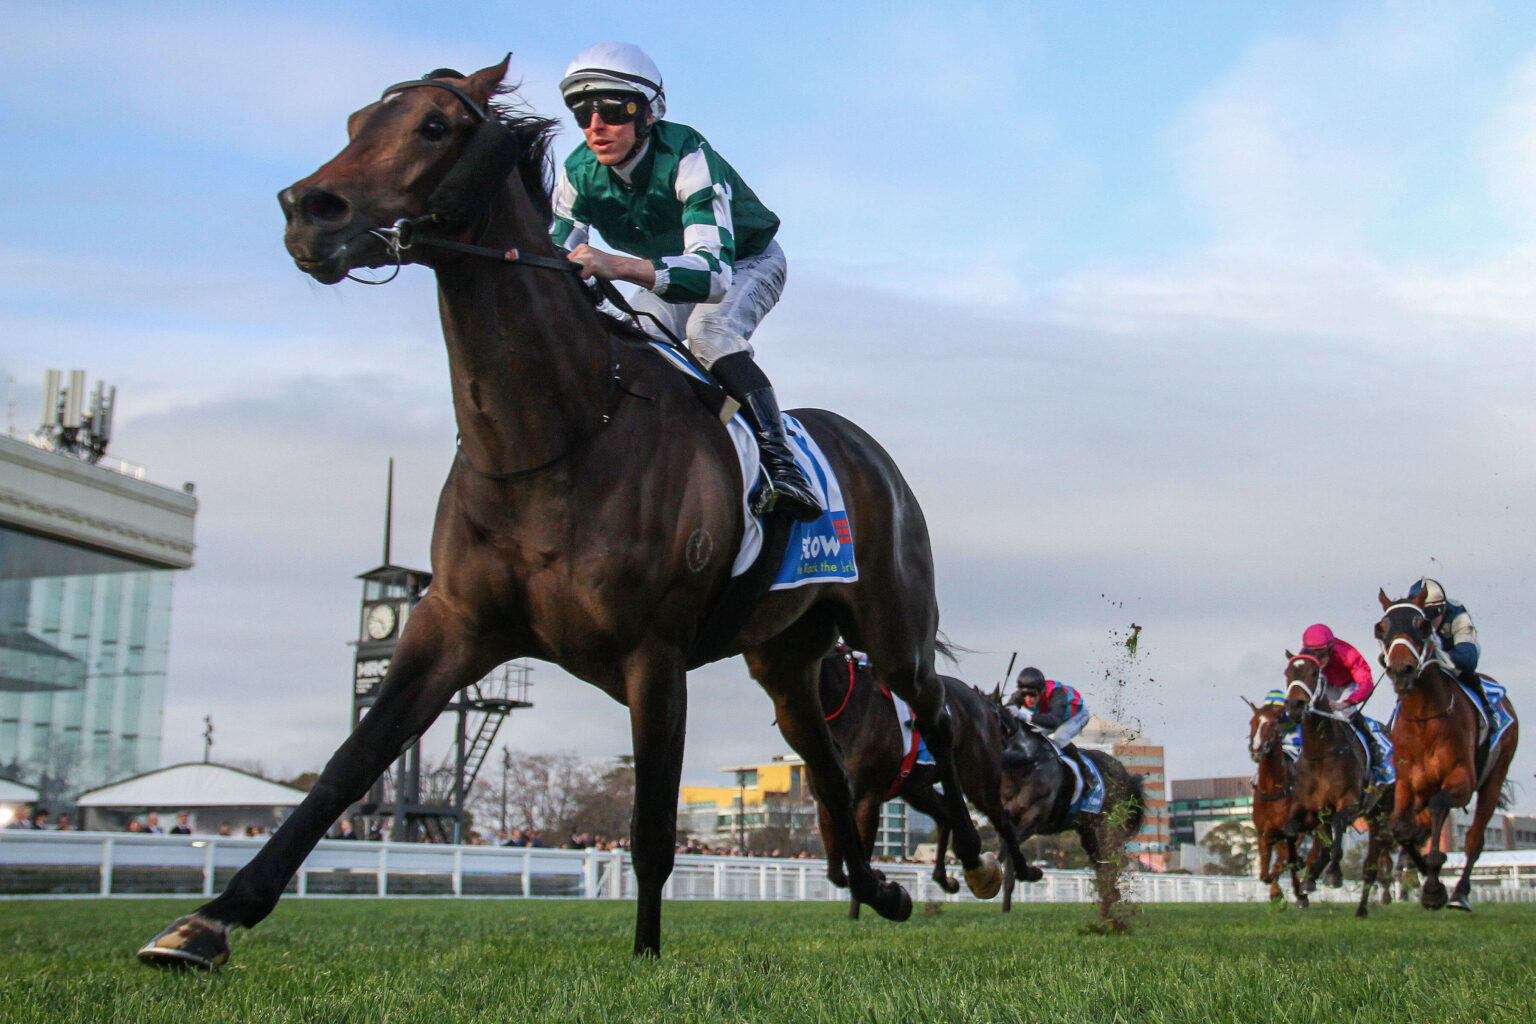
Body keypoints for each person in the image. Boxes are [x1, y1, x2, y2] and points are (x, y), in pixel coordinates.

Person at [551, 41, 822, 522]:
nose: (595, 126)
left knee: (708, 335)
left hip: (745, 260)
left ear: (648, 114)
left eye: (612, 110)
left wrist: (613, 265)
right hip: (674, 267)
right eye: (583, 112)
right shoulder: (577, 172)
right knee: (636, 341)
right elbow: (552, 261)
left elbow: (714, 276)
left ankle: (784, 468)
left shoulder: (687, 153)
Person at [1298, 624, 1388, 780]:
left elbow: (1366, 683)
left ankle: (1374, 748)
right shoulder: (1304, 657)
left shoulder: (1348, 655)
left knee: (1345, 712)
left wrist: (1347, 703)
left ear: (1331, 649)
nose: (1319, 661)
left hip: (1347, 684)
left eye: (1322, 656)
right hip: (1325, 683)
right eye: (1314, 656)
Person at [1408, 577, 1492, 715]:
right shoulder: (1409, 621)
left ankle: (1487, 710)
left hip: (1455, 654)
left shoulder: (1458, 616)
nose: (1427, 622)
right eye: (1421, 616)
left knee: (1465, 672)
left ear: (1443, 609)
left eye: (1431, 613)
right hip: (1427, 662)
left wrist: (1438, 657)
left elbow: (1468, 659)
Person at [1006, 667, 1090, 748]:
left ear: (1042, 691)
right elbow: (1007, 711)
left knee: (1060, 738)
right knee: (1034, 738)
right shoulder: (1019, 695)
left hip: (1076, 716)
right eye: (1024, 694)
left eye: (1032, 694)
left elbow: (1053, 722)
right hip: (1052, 718)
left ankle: (1081, 762)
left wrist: (1023, 716)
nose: (1028, 699)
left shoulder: (1057, 693)